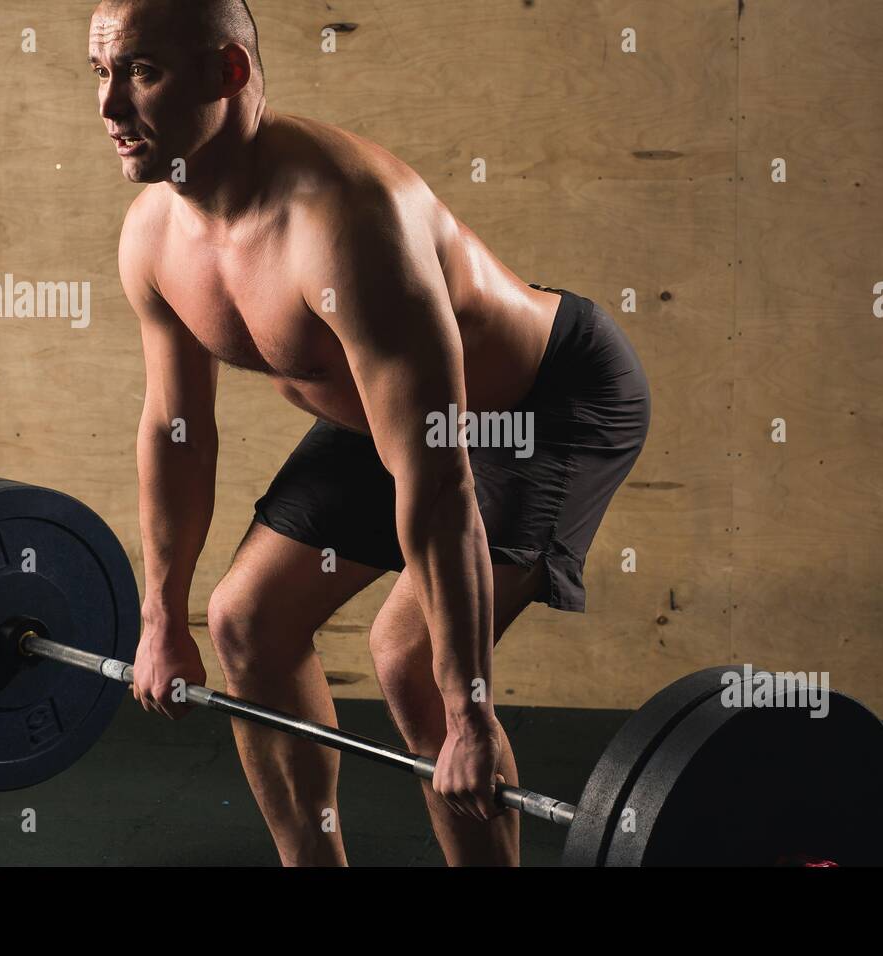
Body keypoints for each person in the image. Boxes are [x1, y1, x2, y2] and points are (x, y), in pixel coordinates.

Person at [90, 0, 650, 865]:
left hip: (544, 404)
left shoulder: (349, 224)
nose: (110, 109)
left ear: (227, 74)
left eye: (140, 72)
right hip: (378, 410)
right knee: (243, 622)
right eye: (101, 75)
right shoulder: (155, 237)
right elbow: (176, 431)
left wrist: (468, 712)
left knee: (412, 663)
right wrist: (162, 613)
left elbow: (437, 483)